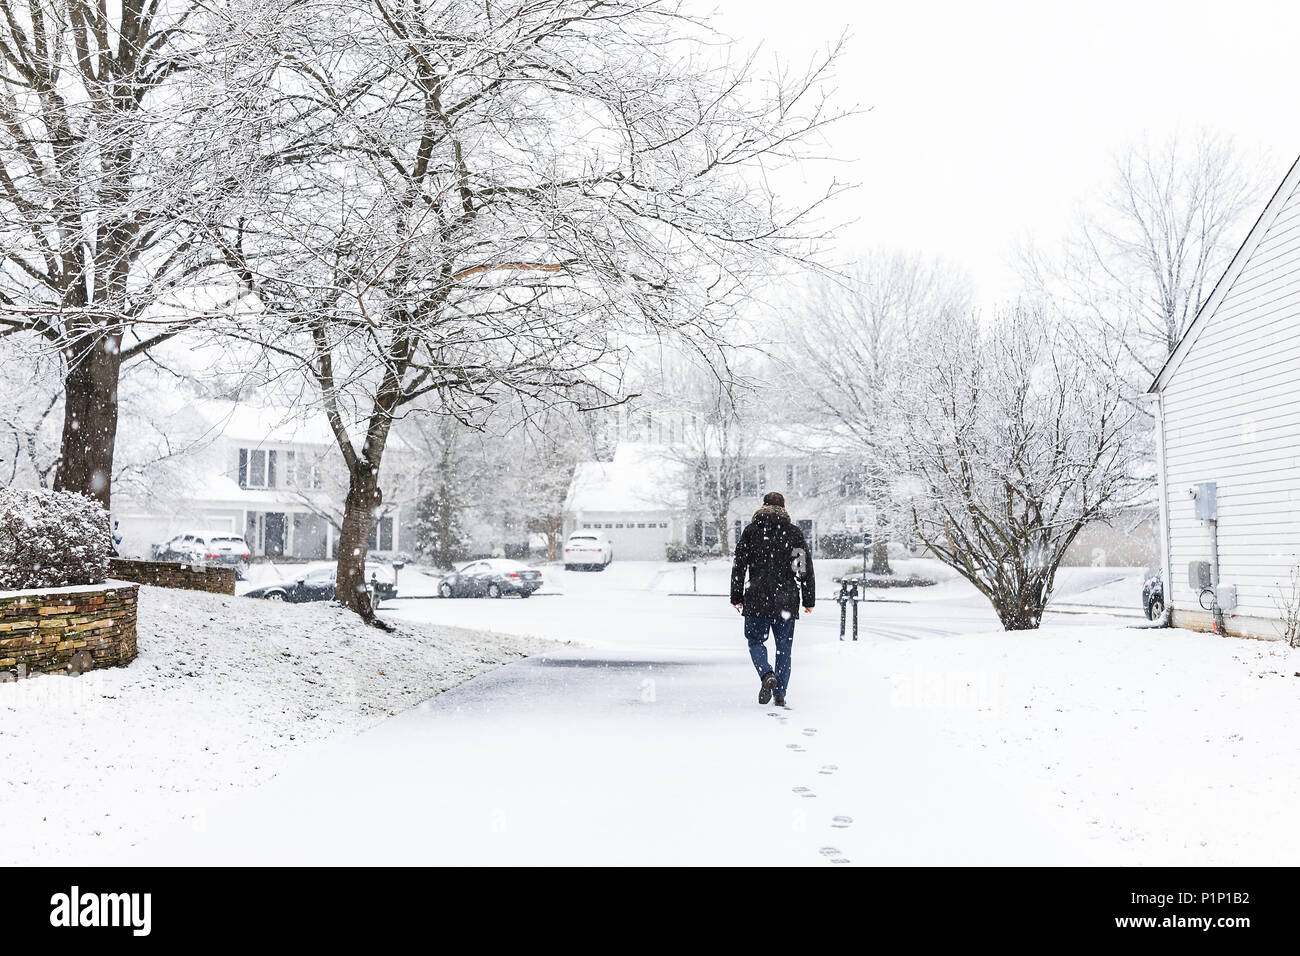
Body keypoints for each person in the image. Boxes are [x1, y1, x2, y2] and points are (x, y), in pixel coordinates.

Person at [729, 491, 815, 707]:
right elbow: (802, 569)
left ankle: (766, 673)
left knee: (755, 641)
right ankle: (780, 694)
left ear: (762, 506)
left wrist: (736, 596)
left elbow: (739, 566)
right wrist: (808, 599)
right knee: (784, 648)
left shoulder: (751, 531)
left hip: (756, 597)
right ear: (784, 507)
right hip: (785, 599)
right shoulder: (793, 533)